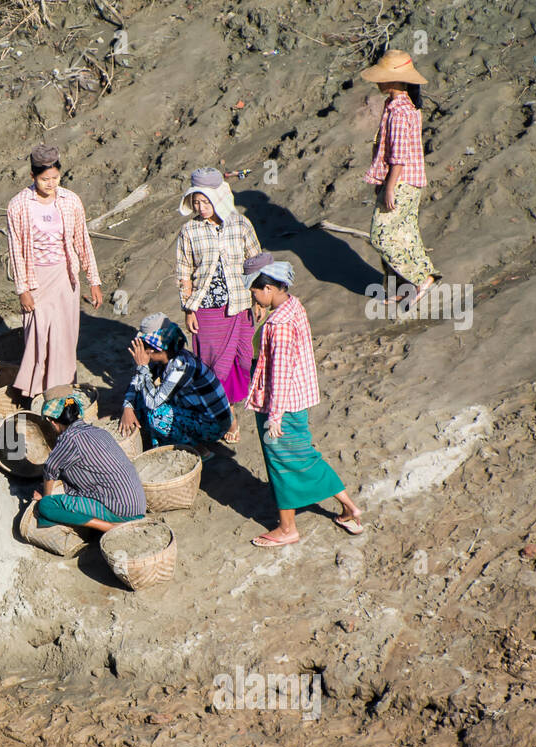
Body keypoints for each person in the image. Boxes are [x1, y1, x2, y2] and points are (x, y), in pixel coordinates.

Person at [242, 254, 363, 547]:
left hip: (281, 405)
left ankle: (287, 529)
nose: (253, 297)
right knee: (304, 456)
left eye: (255, 291)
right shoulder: (292, 306)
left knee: (281, 465)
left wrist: (274, 417)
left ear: (268, 289)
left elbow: (280, 373)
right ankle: (349, 507)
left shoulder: (278, 325)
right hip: (297, 399)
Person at [6, 144, 102, 399]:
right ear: (32, 176)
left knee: (64, 334)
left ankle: (61, 388)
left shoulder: (70, 201)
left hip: (65, 277)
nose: (50, 184)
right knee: (38, 334)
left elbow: (82, 240)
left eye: (55, 178)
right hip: (36, 278)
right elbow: (16, 250)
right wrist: (22, 290)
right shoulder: (18, 205)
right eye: (44, 179)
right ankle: (36, 389)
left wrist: (94, 281)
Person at [175, 166, 262, 445]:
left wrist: (259, 299)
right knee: (214, 367)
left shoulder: (241, 224)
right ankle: (229, 415)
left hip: (240, 305)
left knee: (241, 358)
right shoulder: (189, 231)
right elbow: (183, 272)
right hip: (207, 311)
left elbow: (255, 261)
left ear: (220, 198)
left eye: (206, 201)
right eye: (196, 201)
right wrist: (188, 308)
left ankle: (236, 406)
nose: (200, 207)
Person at [361, 50, 438, 310]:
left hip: (401, 181)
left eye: (381, 77)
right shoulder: (399, 106)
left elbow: (399, 155)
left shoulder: (400, 111)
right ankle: (401, 288)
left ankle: (421, 278)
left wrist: (389, 188)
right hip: (407, 181)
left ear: (394, 80)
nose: (377, 81)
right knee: (405, 233)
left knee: (381, 236)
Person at [34, 390, 146, 532]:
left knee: (46, 506)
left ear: (53, 422)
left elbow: (50, 470)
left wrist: (45, 495)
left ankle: (109, 527)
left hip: (122, 511)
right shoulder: (98, 431)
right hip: (137, 505)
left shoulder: (69, 439)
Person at [119, 312, 232, 451]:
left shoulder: (182, 365)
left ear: (152, 350)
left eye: (143, 349)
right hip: (192, 410)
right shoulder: (164, 359)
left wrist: (142, 367)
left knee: (156, 414)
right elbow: (136, 382)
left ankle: (196, 449)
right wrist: (127, 407)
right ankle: (166, 439)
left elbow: (153, 403)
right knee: (140, 399)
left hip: (213, 424)